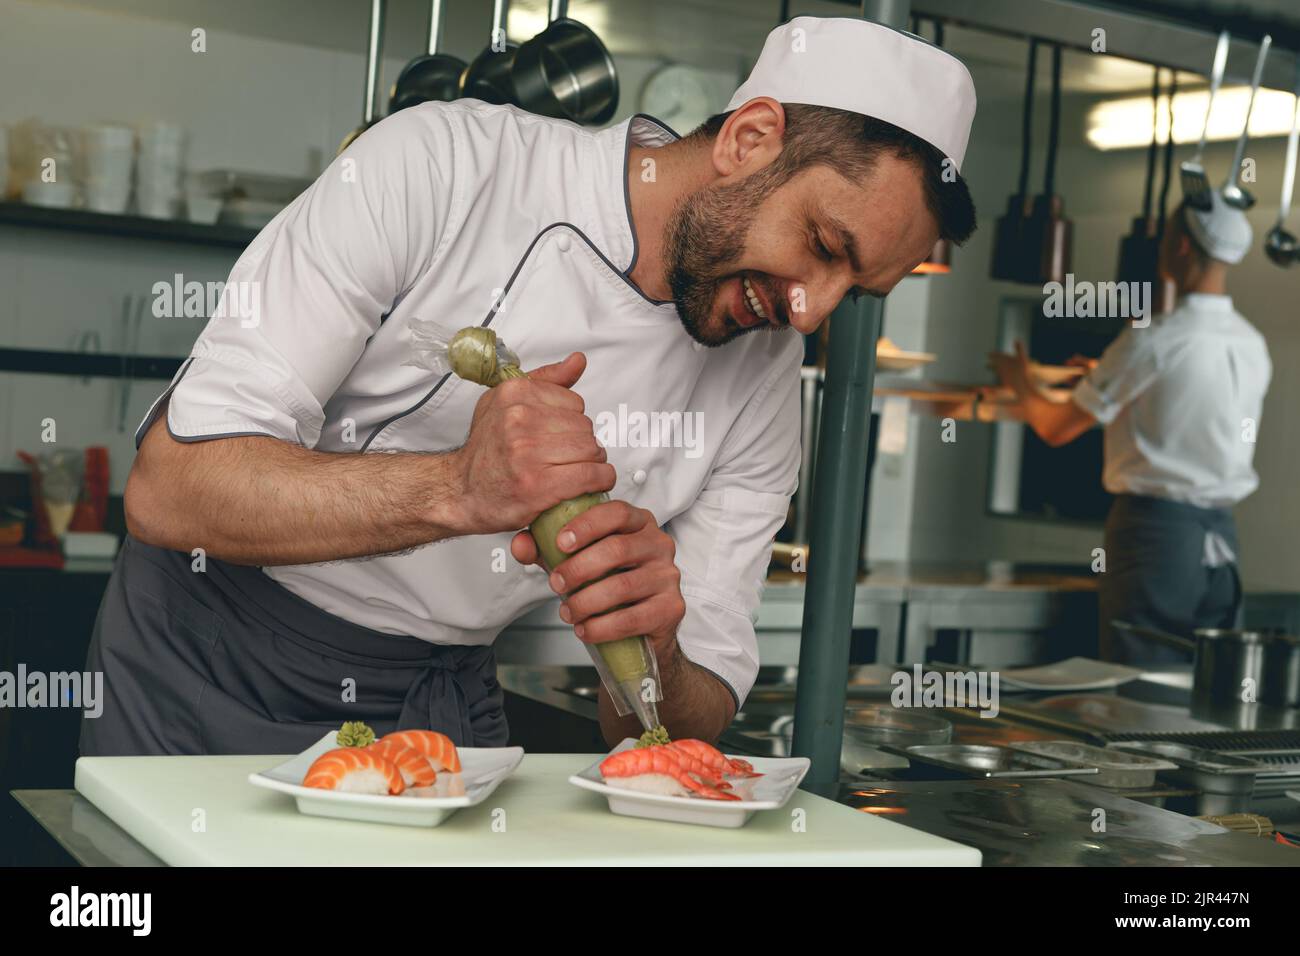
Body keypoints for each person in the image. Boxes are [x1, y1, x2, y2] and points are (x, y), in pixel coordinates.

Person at [80, 17, 977, 755]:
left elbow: (685, 719)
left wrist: (654, 646)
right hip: (207, 670)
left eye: (854, 294)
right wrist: (456, 489)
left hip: (438, 707)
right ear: (750, 139)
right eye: (824, 247)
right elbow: (170, 487)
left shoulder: (765, 376)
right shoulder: (446, 167)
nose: (812, 313)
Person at [990, 193, 1271, 663]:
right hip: (1221, 547)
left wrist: (1020, 381)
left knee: (1138, 685)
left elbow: (1055, 428)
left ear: (1180, 246)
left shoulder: (1153, 338)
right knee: (1203, 689)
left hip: (1157, 538)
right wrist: (1103, 374)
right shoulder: (1251, 343)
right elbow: (1190, 404)